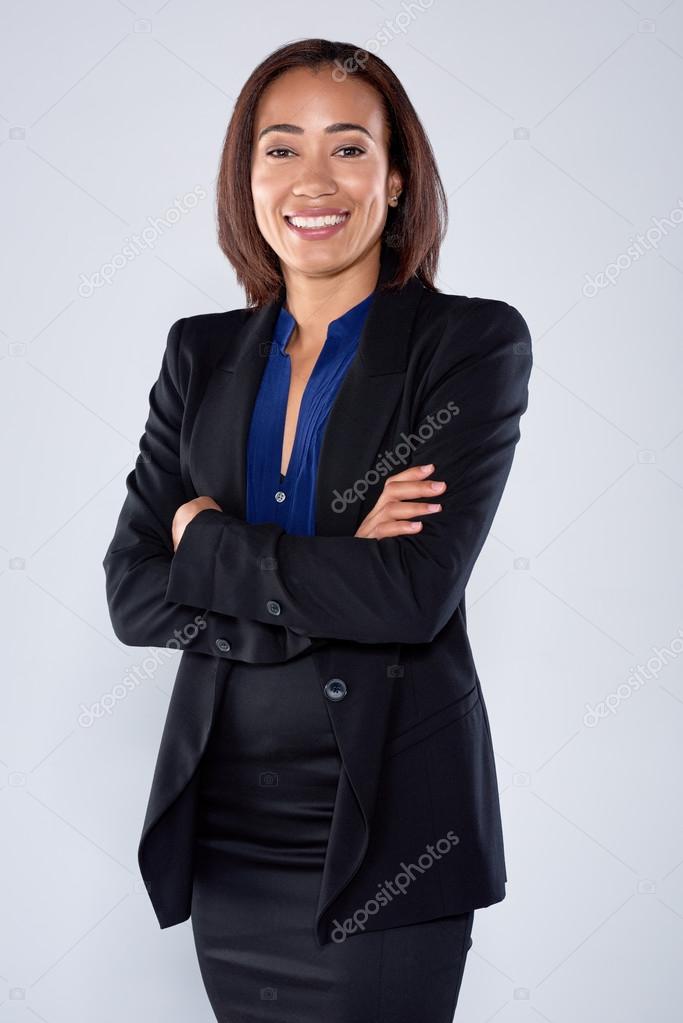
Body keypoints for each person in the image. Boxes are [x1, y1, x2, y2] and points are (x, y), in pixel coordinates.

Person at [102, 37, 533, 1023]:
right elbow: (133, 596)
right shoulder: (200, 352)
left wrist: (208, 549)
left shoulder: (466, 344)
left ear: (395, 177)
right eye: (279, 147)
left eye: (347, 148)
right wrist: (334, 568)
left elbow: (410, 594)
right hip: (225, 836)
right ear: (244, 176)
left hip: (384, 832)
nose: (312, 178)